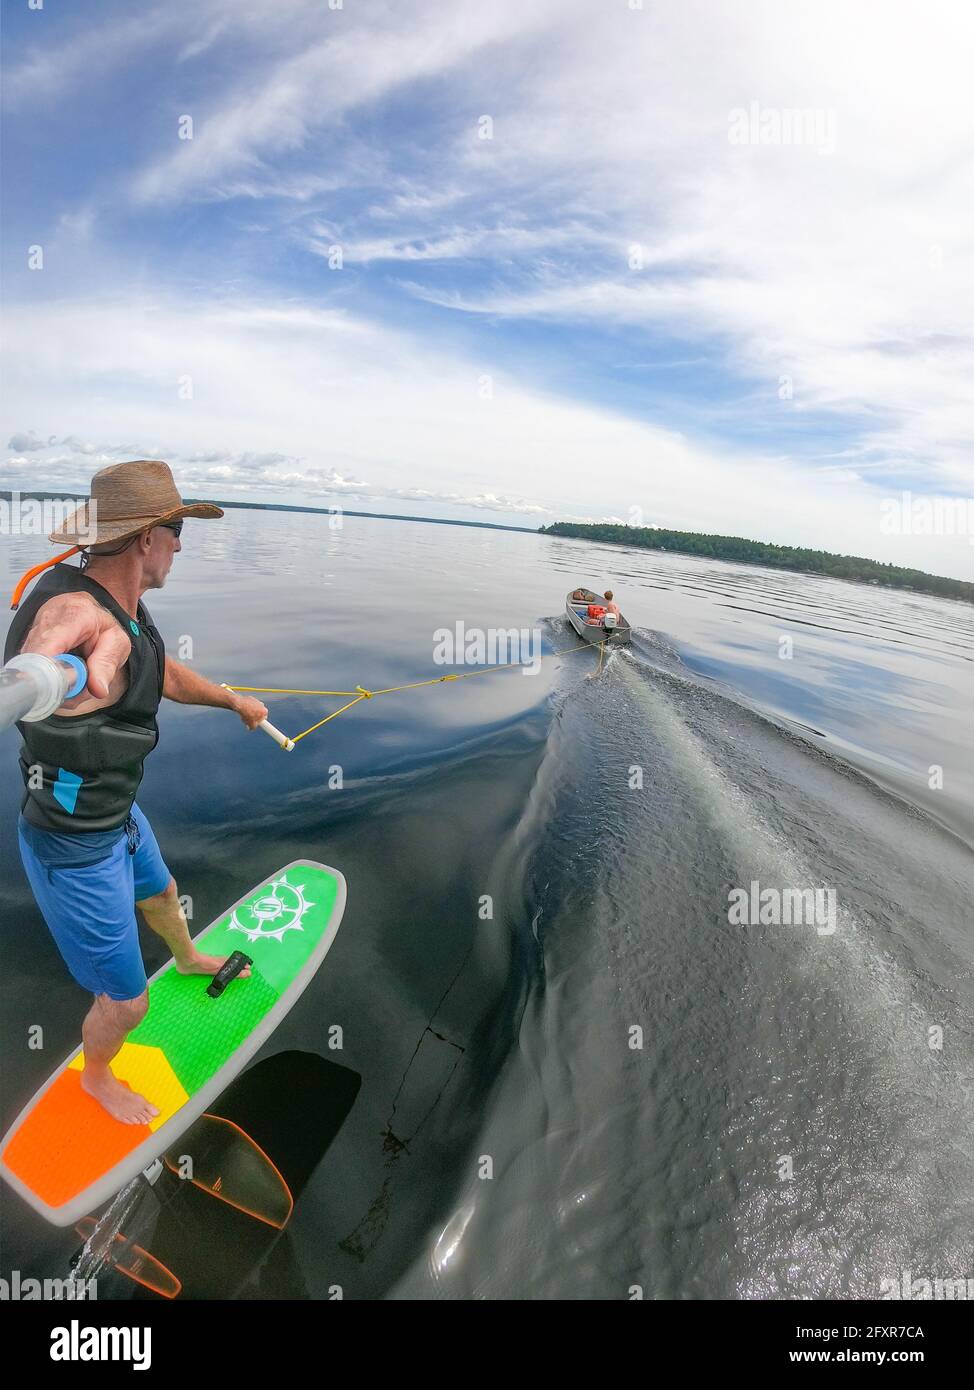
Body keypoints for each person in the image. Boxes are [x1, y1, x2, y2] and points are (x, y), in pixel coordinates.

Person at [4, 460, 270, 1125]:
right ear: (147, 536)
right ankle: (97, 1076)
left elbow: (163, 669)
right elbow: (73, 645)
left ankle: (184, 958)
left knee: (161, 892)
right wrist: (51, 672)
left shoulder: (123, 607)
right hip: (73, 845)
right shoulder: (80, 611)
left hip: (118, 816)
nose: (181, 543)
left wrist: (233, 699)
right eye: (176, 528)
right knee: (126, 1004)